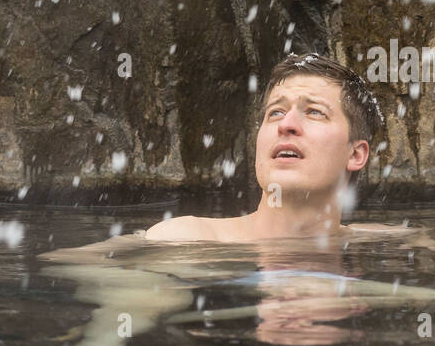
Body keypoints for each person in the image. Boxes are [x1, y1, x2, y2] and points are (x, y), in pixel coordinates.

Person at [144, 52, 385, 243]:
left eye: (314, 112)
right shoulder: (181, 239)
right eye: (276, 112)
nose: (286, 125)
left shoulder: (387, 240)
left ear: (355, 154)